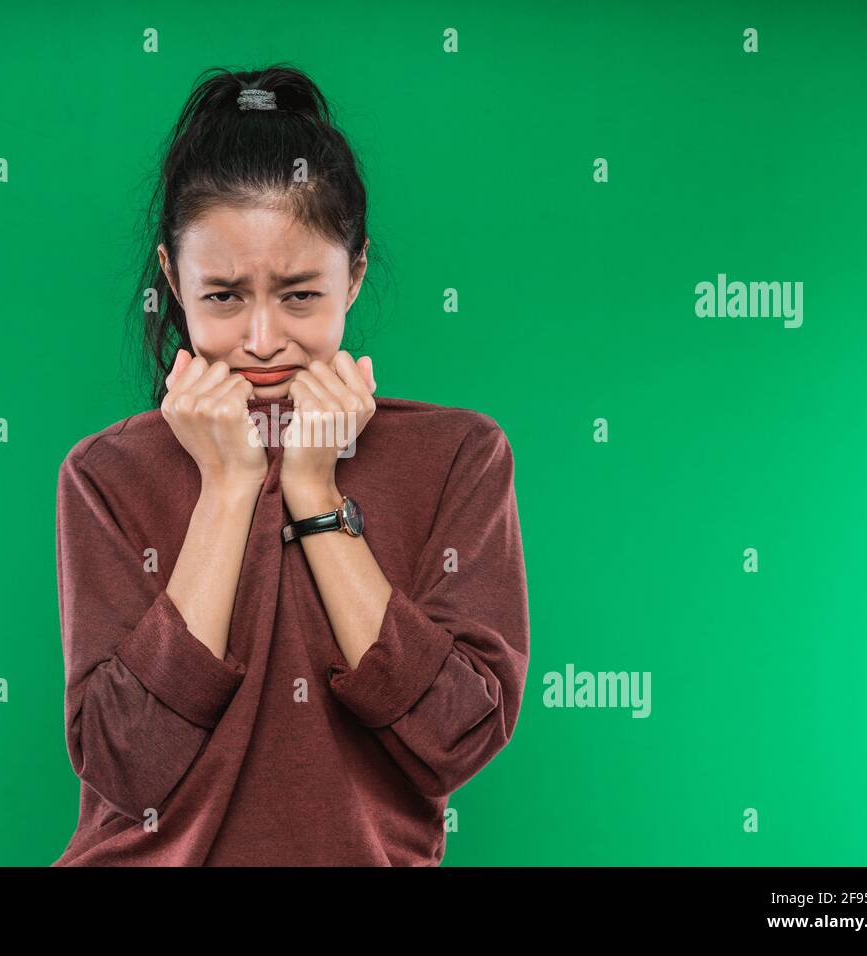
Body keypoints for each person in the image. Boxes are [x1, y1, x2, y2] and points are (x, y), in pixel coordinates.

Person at [51, 64, 530, 866]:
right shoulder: (107, 473)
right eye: (224, 297)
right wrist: (229, 488)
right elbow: (127, 764)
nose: (264, 338)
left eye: (302, 295)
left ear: (357, 272)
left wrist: (313, 490)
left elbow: (456, 734)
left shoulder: (456, 455)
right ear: (173, 279)